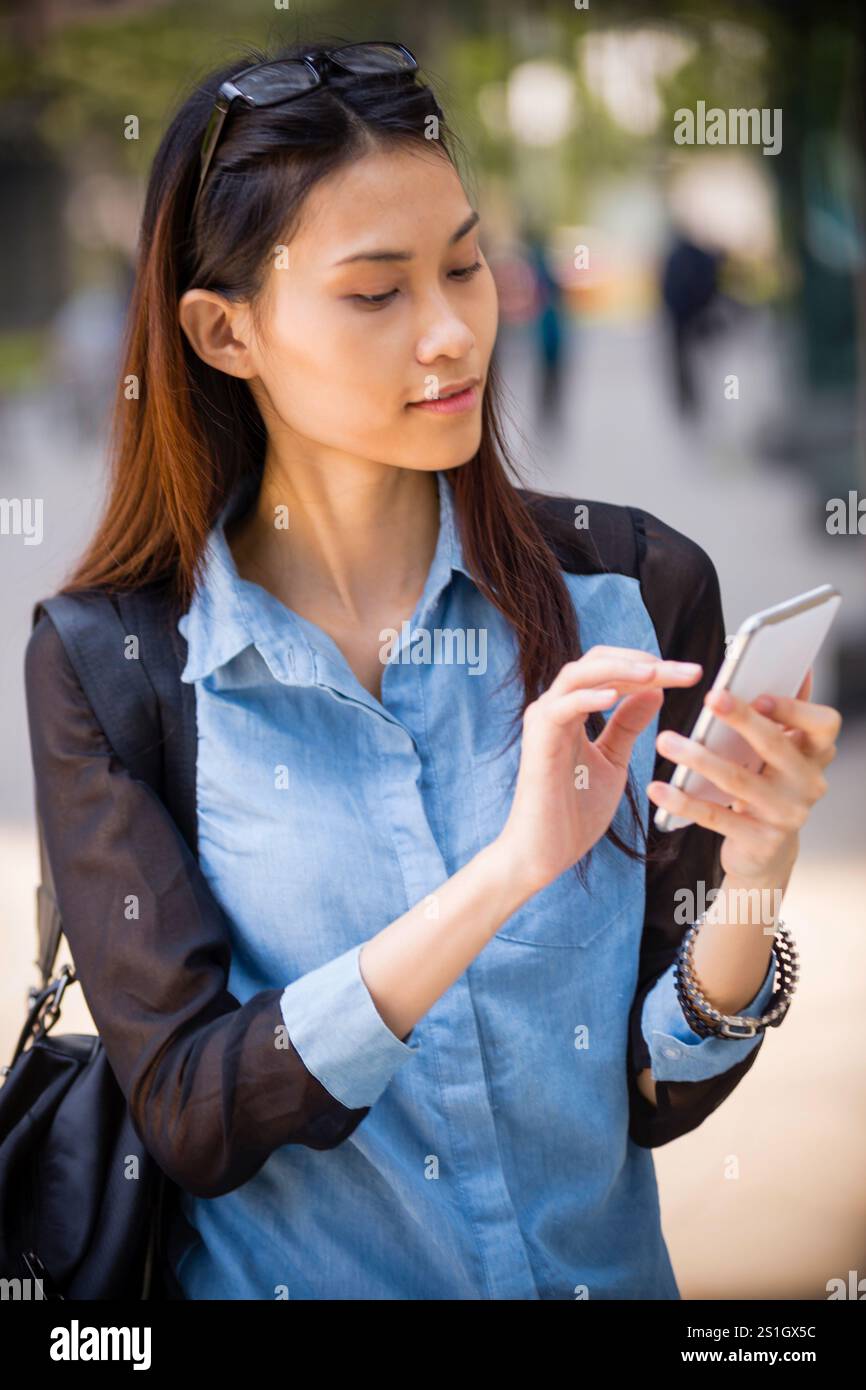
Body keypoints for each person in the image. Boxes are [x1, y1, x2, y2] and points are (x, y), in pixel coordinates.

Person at [24, 38, 841, 1301]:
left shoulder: (633, 592)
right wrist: (508, 872)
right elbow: (193, 1110)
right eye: (375, 292)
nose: (453, 330)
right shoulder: (116, 660)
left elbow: (657, 1091)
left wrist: (754, 872)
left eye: (464, 263)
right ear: (221, 330)